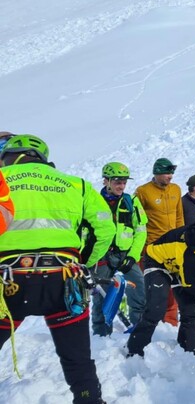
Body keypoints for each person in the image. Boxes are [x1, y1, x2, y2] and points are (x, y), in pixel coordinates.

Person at [0, 134, 115, 404]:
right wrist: (83, 262)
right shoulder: (77, 185)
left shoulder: (2, 181)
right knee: (78, 361)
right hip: (64, 281)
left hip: (9, 282)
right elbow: (105, 229)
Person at [125, 212, 195, 357]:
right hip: (158, 261)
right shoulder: (193, 252)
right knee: (155, 309)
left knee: (192, 313)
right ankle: (133, 351)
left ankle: (189, 354)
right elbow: (191, 285)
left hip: (180, 266)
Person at [91, 162, 148, 335]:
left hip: (126, 255)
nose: (121, 185)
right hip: (102, 256)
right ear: (105, 181)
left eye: (124, 182)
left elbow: (141, 231)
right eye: (117, 181)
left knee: (139, 288)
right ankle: (101, 333)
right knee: (101, 296)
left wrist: (132, 256)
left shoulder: (132, 202)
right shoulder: (94, 202)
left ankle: (138, 327)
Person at [134, 157, 184, 326]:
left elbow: (179, 217)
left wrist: (182, 239)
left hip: (172, 247)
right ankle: (149, 321)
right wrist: (140, 248)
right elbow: (136, 221)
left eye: (172, 172)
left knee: (175, 285)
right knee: (153, 287)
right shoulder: (143, 191)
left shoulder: (176, 189)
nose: (170, 176)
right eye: (167, 173)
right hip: (152, 247)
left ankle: (170, 321)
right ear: (157, 173)